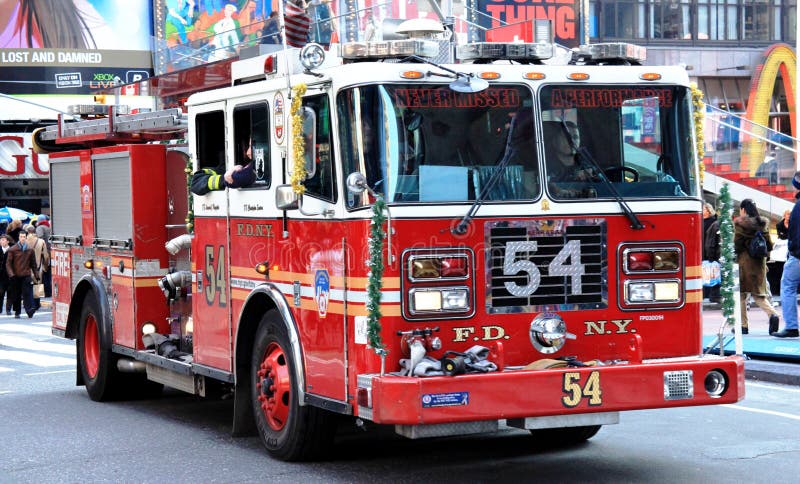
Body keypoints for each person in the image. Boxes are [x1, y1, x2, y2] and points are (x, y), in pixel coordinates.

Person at [734, 198, 780, 334]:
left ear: (743, 210)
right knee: (759, 296)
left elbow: (736, 246)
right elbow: (769, 246)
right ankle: (773, 314)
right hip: (759, 265)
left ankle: (743, 325)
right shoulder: (763, 224)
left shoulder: (740, 225)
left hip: (744, 265)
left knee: (741, 295)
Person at [775, 173, 800, 338]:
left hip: (797, 257)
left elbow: (797, 233)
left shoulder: (798, 207)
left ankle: (791, 326)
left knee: (788, 287)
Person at [191, 139, 256, 195]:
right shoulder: (224, 168)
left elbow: (242, 176)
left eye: (251, 146)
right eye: (247, 146)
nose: (247, 152)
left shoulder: (255, 167)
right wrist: (223, 179)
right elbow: (196, 183)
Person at [5, 231, 37, 318]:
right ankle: (17, 312)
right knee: (16, 294)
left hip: (26, 275)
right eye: (21, 237)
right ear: (19, 238)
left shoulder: (30, 249)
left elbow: (33, 264)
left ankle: (29, 310)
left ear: (26, 238)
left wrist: (36, 275)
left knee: (27, 293)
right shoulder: (13, 249)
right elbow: (8, 264)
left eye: (24, 237)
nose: (22, 238)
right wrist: (11, 274)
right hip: (15, 275)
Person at [25, 224, 48, 311]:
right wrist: (45, 267)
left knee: (27, 286)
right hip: (38, 267)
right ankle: (37, 303)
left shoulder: (24, 241)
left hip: (26, 268)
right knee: (37, 285)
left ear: (27, 232)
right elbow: (45, 256)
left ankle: (30, 304)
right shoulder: (41, 241)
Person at [702, 202, 721, 303]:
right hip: (703, 250)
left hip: (709, 252)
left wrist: (710, 254)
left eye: (704, 209)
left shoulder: (713, 222)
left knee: (712, 273)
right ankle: (706, 294)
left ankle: (712, 295)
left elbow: (711, 240)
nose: (702, 211)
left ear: (709, 210)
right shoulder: (700, 221)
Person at [35, 214, 52, 297]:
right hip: (49, 253)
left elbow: (40, 240)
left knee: (41, 274)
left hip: (43, 253)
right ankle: (49, 292)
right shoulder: (48, 227)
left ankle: (42, 293)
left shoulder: (40, 228)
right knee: (48, 273)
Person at [0, 235, 10, 315]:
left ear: (8, 241)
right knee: (1, 293)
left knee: (10, 293)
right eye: (1, 240)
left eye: (3, 240)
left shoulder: (11, 250)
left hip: (10, 275)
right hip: (1, 276)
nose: (1, 241)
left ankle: (8, 309)